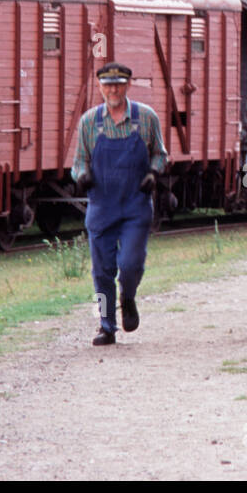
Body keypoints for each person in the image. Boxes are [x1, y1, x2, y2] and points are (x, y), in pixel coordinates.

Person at [71, 62, 167, 346]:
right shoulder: (89, 122)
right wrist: (81, 176)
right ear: (99, 87)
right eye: (107, 85)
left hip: (135, 207)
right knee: (101, 273)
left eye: (118, 84)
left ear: (128, 86)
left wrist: (153, 173)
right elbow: (78, 162)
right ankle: (106, 326)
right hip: (101, 208)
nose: (113, 90)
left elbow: (160, 154)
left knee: (130, 265)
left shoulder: (146, 118)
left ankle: (128, 296)